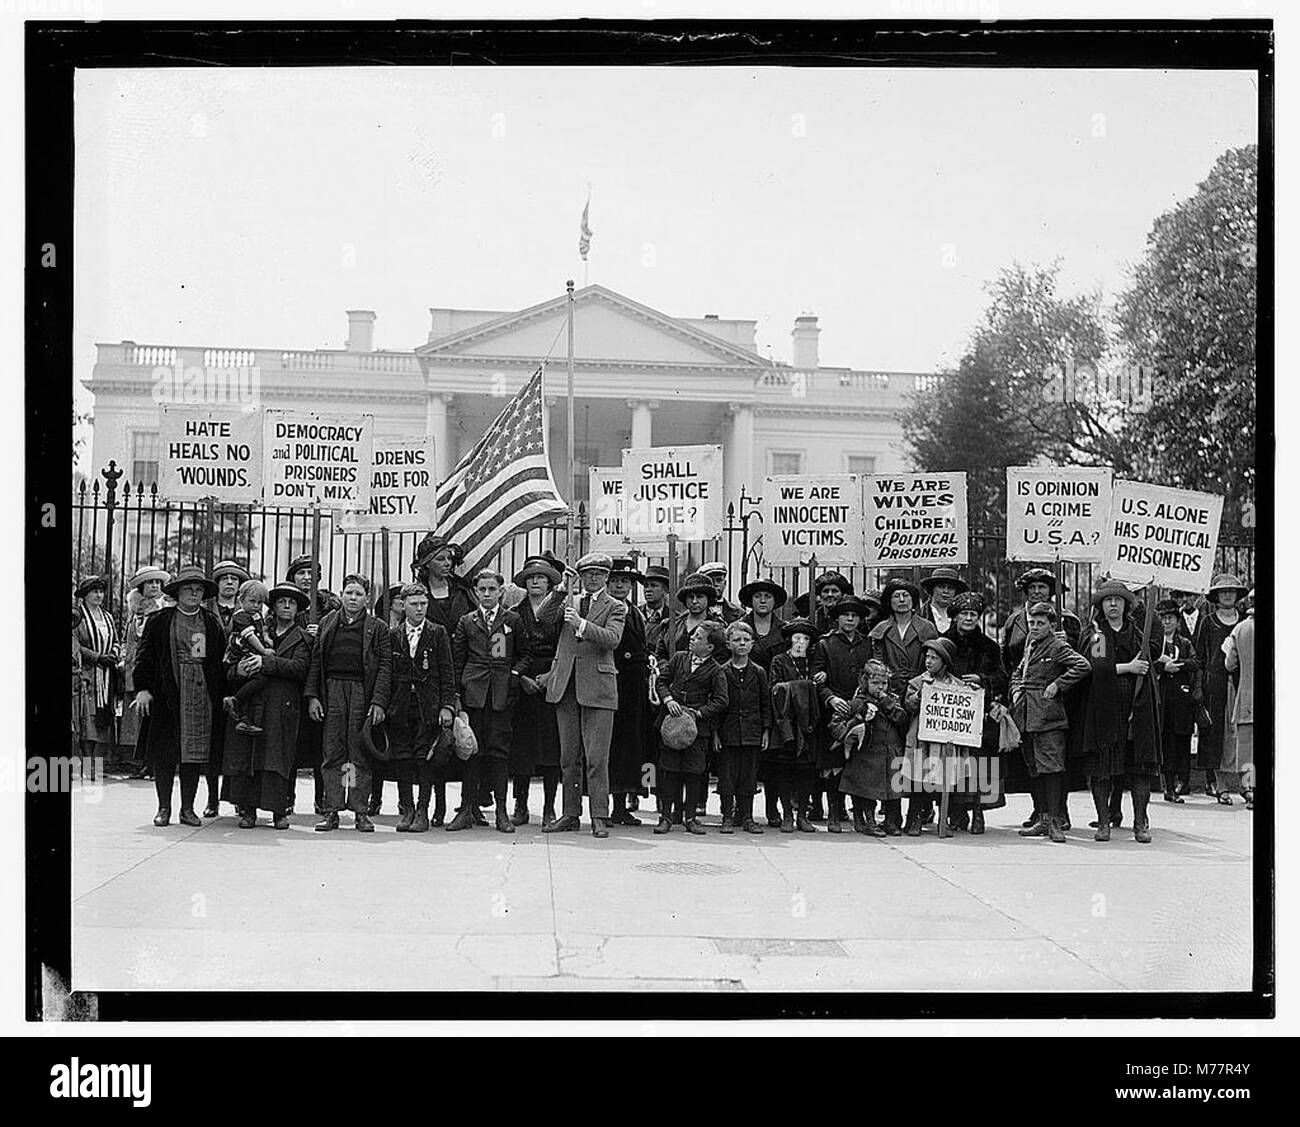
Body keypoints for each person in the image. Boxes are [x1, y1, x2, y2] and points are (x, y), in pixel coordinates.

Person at [130, 565, 227, 828]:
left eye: (198, 590)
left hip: (200, 695)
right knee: (165, 753)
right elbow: (145, 657)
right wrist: (143, 689)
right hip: (168, 694)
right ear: (178, 592)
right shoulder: (160, 620)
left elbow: (217, 663)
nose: (194, 594)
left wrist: (223, 694)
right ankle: (164, 808)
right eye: (188, 589)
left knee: (193, 754)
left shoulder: (210, 623)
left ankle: (187, 809)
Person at [540, 552, 625, 839]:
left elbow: (612, 639)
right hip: (566, 686)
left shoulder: (616, 606)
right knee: (568, 757)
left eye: (598, 574)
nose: (592, 578)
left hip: (598, 688)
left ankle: (600, 815)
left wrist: (581, 624)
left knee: (597, 758)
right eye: (587, 573)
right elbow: (542, 616)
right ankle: (570, 813)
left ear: (606, 577)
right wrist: (562, 588)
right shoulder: (569, 599)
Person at [305, 574, 392, 833]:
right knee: (333, 752)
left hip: (361, 693)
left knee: (357, 753)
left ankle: (359, 810)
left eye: (359, 594)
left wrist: (378, 702)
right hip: (332, 691)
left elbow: (386, 667)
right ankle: (331, 810)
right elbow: (315, 663)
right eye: (349, 593)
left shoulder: (377, 627)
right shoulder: (327, 622)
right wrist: (313, 697)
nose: (353, 598)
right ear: (341, 594)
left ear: (367, 598)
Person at [223, 583, 312, 829]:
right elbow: (232, 661)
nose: (286, 606)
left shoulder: (302, 638)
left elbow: (300, 668)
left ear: (297, 610)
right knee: (250, 757)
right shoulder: (256, 630)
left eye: (291, 603)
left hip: (282, 707)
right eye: (281, 602)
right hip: (254, 703)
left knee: (277, 759)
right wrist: (237, 671)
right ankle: (248, 811)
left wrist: (267, 662)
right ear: (272, 606)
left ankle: (278, 811)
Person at [1002, 567, 1085, 830]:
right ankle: (1041, 811)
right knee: (1032, 759)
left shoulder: (1067, 620)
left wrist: (1058, 682)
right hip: (1026, 699)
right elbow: (1009, 657)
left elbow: (1081, 657)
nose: (1038, 591)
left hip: (1056, 698)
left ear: (1052, 592)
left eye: (1043, 587)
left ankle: (1059, 812)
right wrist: (1016, 688)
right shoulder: (1014, 620)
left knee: (1056, 757)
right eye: (1033, 588)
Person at [449, 569, 531, 833]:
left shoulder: (513, 620)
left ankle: (502, 812)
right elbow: (457, 659)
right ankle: (466, 810)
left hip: (501, 695)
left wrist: (514, 675)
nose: (486, 594)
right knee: (471, 751)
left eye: (491, 589)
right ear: (475, 592)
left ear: (500, 591)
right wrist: (457, 697)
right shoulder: (467, 621)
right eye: (482, 590)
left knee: (499, 753)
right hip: (474, 694)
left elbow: (525, 654)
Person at [1081, 580, 1162, 844]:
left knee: (1139, 768)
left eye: (1118, 600)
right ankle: (1104, 822)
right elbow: (1097, 667)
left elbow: (1153, 657)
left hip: (1137, 708)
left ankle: (1140, 822)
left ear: (1127, 604)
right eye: (1107, 600)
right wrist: (1129, 667)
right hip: (1105, 709)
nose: (1113, 605)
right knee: (1103, 768)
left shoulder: (1140, 633)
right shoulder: (1097, 634)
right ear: (1100, 606)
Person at [387, 582, 457, 833]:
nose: (419, 609)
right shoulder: (393, 635)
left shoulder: (437, 633)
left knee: (424, 758)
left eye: (423, 604)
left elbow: (448, 674)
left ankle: (422, 809)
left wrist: (447, 706)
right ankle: (406, 808)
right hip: (400, 705)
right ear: (403, 606)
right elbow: (386, 674)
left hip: (428, 706)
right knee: (402, 757)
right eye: (414, 604)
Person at [653, 621, 729, 835]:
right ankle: (666, 816)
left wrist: (699, 713)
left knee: (694, 772)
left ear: (710, 647)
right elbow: (662, 681)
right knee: (669, 770)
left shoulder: (716, 670)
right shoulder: (678, 658)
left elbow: (722, 700)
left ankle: (691, 817)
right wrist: (668, 699)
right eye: (693, 635)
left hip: (697, 729)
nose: (692, 639)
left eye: (698, 637)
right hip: (671, 723)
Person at [506, 556, 566, 828]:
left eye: (541, 577)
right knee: (522, 748)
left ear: (550, 582)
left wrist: (552, 674)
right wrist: (521, 679)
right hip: (523, 680)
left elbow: (566, 647)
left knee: (552, 746)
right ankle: (520, 804)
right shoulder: (515, 613)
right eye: (531, 578)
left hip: (553, 680)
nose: (535, 582)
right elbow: (507, 651)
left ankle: (550, 806)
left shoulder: (561, 610)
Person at [944, 591, 1009, 834]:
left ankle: (979, 813)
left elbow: (1002, 677)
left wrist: (981, 680)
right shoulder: (944, 642)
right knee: (953, 762)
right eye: (964, 614)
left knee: (981, 763)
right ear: (955, 617)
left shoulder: (989, 646)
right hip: (951, 713)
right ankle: (956, 813)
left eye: (973, 614)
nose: (969, 618)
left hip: (980, 713)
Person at [810, 596, 873, 832]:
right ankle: (834, 813)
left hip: (859, 709)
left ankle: (859, 815)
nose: (850, 619)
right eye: (845, 614)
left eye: (854, 615)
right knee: (834, 765)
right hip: (835, 712)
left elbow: (872, 675)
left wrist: (862, 701)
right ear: (836, 618)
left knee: (858, 764)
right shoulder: (825, 644)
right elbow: (816, 676)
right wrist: (831, 698)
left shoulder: (867, 644)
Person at [285, 553, 340, 817]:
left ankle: (323, 798)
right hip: (293, 683)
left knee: (323, 745)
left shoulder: (329, 606)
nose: (307, 579)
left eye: (311, 573)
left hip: (321, 683)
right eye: (301, 573)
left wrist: (323, 635)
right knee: (291, 745)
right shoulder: (285, 603)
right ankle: (286, 797)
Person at [606, 558, 654, 827]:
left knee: (632, 746)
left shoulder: (635, 612)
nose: (619, 585)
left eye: (624, 581)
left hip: (634, 686)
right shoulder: (605, 610)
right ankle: (611, 804)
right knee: (613, 745)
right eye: (614, 581)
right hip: (614, 681)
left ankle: (624, 803)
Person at [1194, 573, 1248, 802]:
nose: (1227, 594)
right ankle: (1221, 785)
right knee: (1216, 734)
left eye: (1231, 591)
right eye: (1223, 591)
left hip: (1243, 684)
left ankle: (1247, 786)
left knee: (1244, 735)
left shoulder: (1246, 622)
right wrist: (1199, 687)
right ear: (1216, 596)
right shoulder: (1207, 622)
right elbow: (1198, 657)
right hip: (1215, 685)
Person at [716, 621, 772, 834]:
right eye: (737, 640)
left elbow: (765, 702)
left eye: (746, 640)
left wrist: (766, 730)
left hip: (752, 732)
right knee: (727, 776)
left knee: (749, 776)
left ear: (752, 644)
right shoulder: (721, 671)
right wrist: (715, 733)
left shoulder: (758, 672)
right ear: (728, 644)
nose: (741, 644)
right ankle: (727, 816)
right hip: (728, 732)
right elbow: (717, 703)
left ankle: (747, 816)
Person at [767, 619, 822, 832]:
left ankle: (802, 815)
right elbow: (774, 689)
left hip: (808, 723)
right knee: (784, 768)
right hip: (786, 723)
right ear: (790, 640)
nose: (800, 643)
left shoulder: (813, 662)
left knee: (806, 771)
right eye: (797, 638)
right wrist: (803, 687)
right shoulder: (779, 661)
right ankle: (787, 814)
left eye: (806, 639)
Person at [844, 658, 908, 835]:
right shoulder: (860, 700)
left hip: (890, 751)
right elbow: (855, 716)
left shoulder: (892, 699)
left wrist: (885, 701)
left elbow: (901, 718)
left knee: (892, 788)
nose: (880, 687)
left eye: (884, 683)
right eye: (875, 683)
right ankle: (868, 820)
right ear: (866, 682)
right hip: (868, 752)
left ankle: (891, 822)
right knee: (867, 789)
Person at [119, 565, 170, 777]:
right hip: (133, 669)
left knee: (152, 717)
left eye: (158, 583)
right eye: (150, 583)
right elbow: (127, 638)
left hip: (154, 671)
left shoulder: (164, 608)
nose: (155, 586)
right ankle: (138, 761)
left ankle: (153, 763)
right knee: (135, 717)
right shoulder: (134, 610)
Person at [1155, 597, 1200, 803]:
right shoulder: (1154, 643)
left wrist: (1178, 664)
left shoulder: (1184, 643)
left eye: (1171, 618)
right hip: (1161, 697)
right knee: (1165, 741)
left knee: (1181, 739)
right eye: (1163, 618)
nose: (1167, 622)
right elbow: (1147, 661)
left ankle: (1183, 781)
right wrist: (1163, 666)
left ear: (1177, 620)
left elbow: (1196, 662)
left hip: (1181, 698)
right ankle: (1168, 785)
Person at [75, 575, 121, 777]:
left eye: (101, 591)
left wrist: (114, 654)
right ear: (85, 595)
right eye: (94, 591)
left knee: (103, 717)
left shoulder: (108, 617)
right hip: (87, 673)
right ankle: (87, 765)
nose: (99, 595)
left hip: (107, 674)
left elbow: (117, 640)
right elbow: (75, 644)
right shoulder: (78, 617)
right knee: (88, 718)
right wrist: (97, 657)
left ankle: (99, 765)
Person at [221, 579, 273, 735]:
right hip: (238, 655)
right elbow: (249, 636)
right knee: (260, 678)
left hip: (249, 653)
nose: (256, 605)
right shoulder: (241, 616)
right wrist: (263, 650)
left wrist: (266, 636)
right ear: (241, 599)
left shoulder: (257, 614)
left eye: (260, 602)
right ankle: (234, 700)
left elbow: (262, 629)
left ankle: (243, 719)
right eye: (252, 601)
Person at [1223, 590, 1255, 811]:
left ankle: (1250, 791)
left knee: (1247, 753)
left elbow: (1229, 664)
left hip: (1247, 699)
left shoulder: (1241, 628)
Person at [410, 533, 476, 637]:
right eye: (440, 559)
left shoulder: (463, 590)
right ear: (427, 563)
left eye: (449, 558)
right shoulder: (416, 594)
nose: (447, 563)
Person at [657, 571, 726, 661]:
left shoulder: (717, 628)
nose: (694, 601)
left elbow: (721, 658)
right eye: (690, 597)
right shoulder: (670, 625)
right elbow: (660, 655)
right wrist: (669, 671)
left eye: (699, 596)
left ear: (708, 598)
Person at [737, 578, 788, 672]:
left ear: (774, 600)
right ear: (751, 600)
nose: (763, 601)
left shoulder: (786, 630)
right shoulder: (737, 628)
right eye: (757, 596)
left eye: (768, 596)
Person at [920, 566, 968, 635]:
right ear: (932, 589)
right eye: (941, 587)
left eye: (950, 588)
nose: (946, 591)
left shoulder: (963, 617)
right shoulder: (921, 615)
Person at [207, 560, 250, 634]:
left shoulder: (247, 609)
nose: (229, 582)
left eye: (234, 579)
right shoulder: (206, 608)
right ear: (217, 583)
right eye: (224, 578)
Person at [640, 565, 673, 656]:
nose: (648, 590)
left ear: (665, 590)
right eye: (646, 586)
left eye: (654, 586)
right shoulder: (635, 614)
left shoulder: (674, 618)